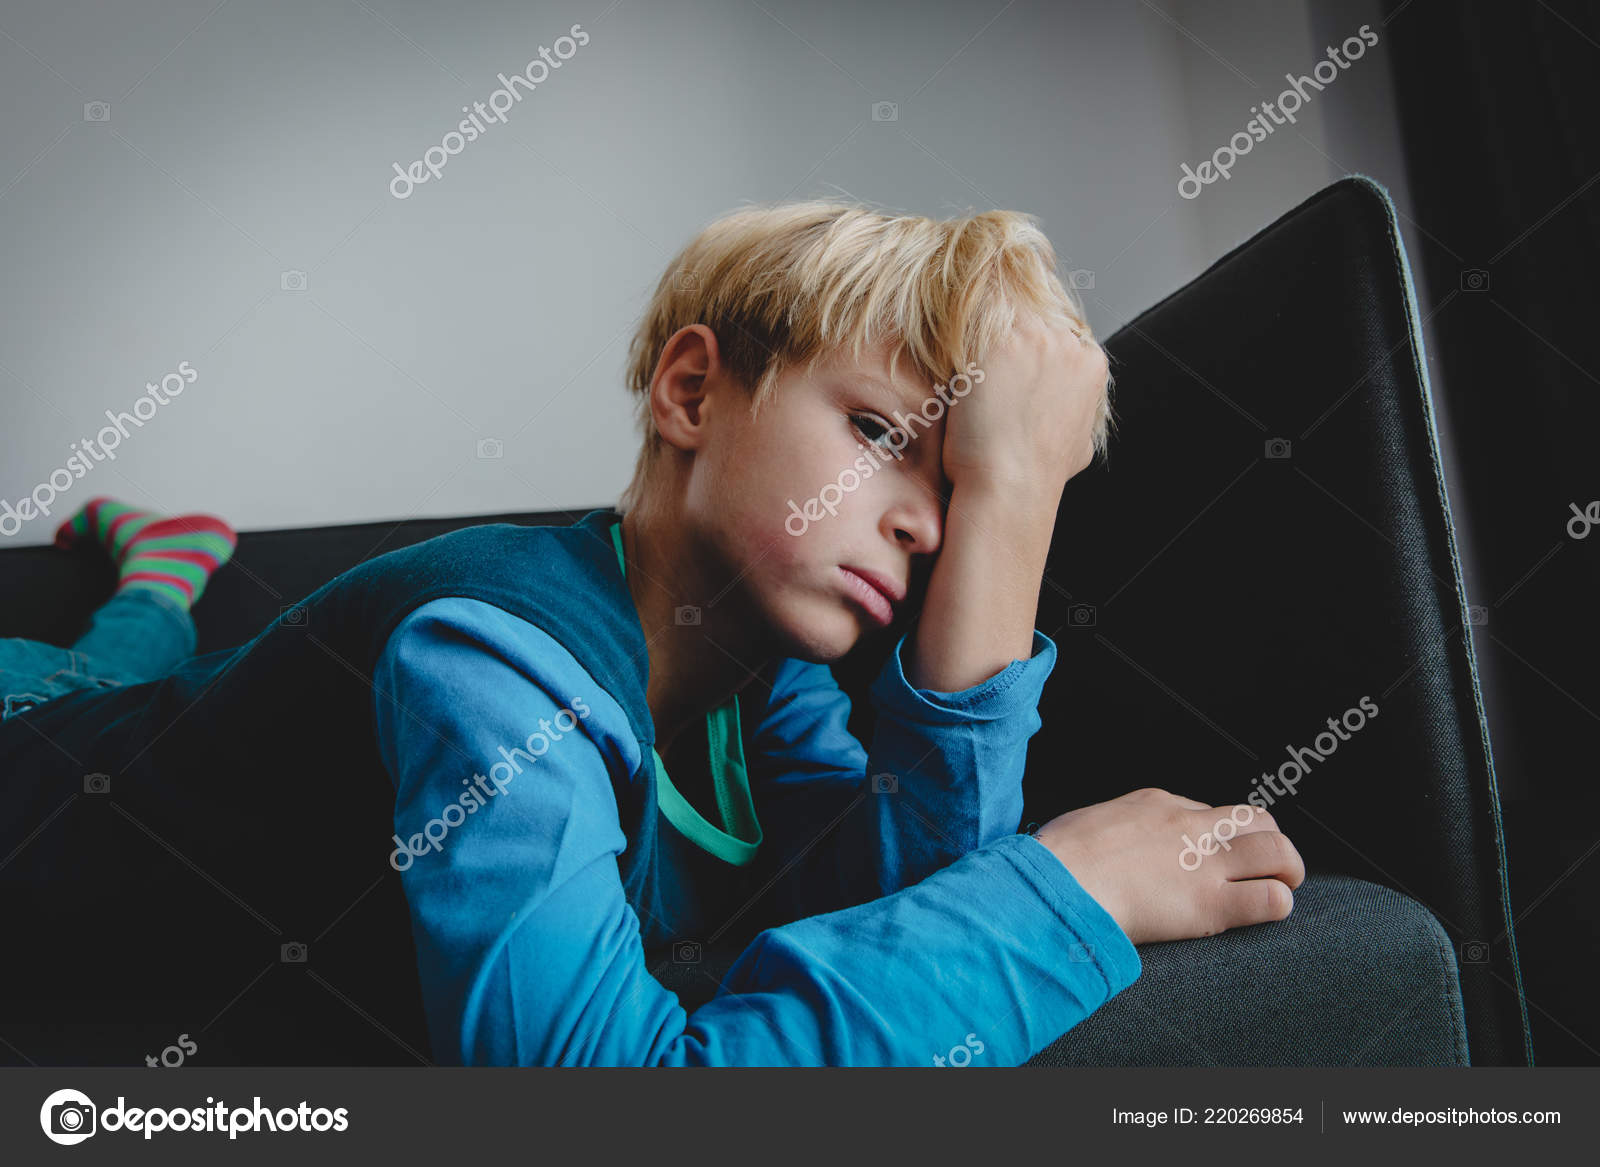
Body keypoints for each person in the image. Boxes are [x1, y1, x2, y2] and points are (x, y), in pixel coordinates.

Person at [0, 201, 1303, 1067]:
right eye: (880, 437)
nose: (928, 525)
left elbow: (899, 899)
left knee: (131, 666)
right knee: (74, 682)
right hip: (31, 780)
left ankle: (162, 583)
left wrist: (1019, 506)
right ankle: (158, 578)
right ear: (693, 391)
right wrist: (1065, 892)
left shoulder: (762, 677)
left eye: (957, 492)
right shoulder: (496, 662)